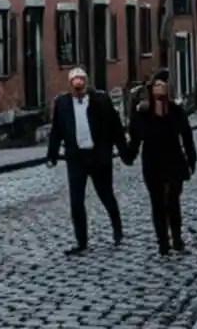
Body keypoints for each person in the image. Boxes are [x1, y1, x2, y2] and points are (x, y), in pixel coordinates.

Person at [47, 66, 128, 255]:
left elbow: (115, 126)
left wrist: (124, 151)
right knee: (76, 202)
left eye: (81, 81)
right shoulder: (62, 103)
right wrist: (52, 155)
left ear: (86, 82)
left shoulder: (100, 99)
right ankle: (81, 241)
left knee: (106, 195)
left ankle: (117, 230)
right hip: (76, 158)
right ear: (69, 85)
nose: (78, 85)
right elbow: (56, 131)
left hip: (98, 156)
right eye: (75, 82)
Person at [124, 69, 196, 256]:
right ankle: (163, 242)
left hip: (173, 158)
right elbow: (136, 136)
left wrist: (191, 158)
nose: (160, 94)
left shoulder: (175, 110)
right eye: (156, 90)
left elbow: (186, 135)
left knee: (173, 201)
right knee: (157, 203)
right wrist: (129, 154)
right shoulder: (144, 113)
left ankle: (177, 237)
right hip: (152, 161)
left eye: (162, 90)